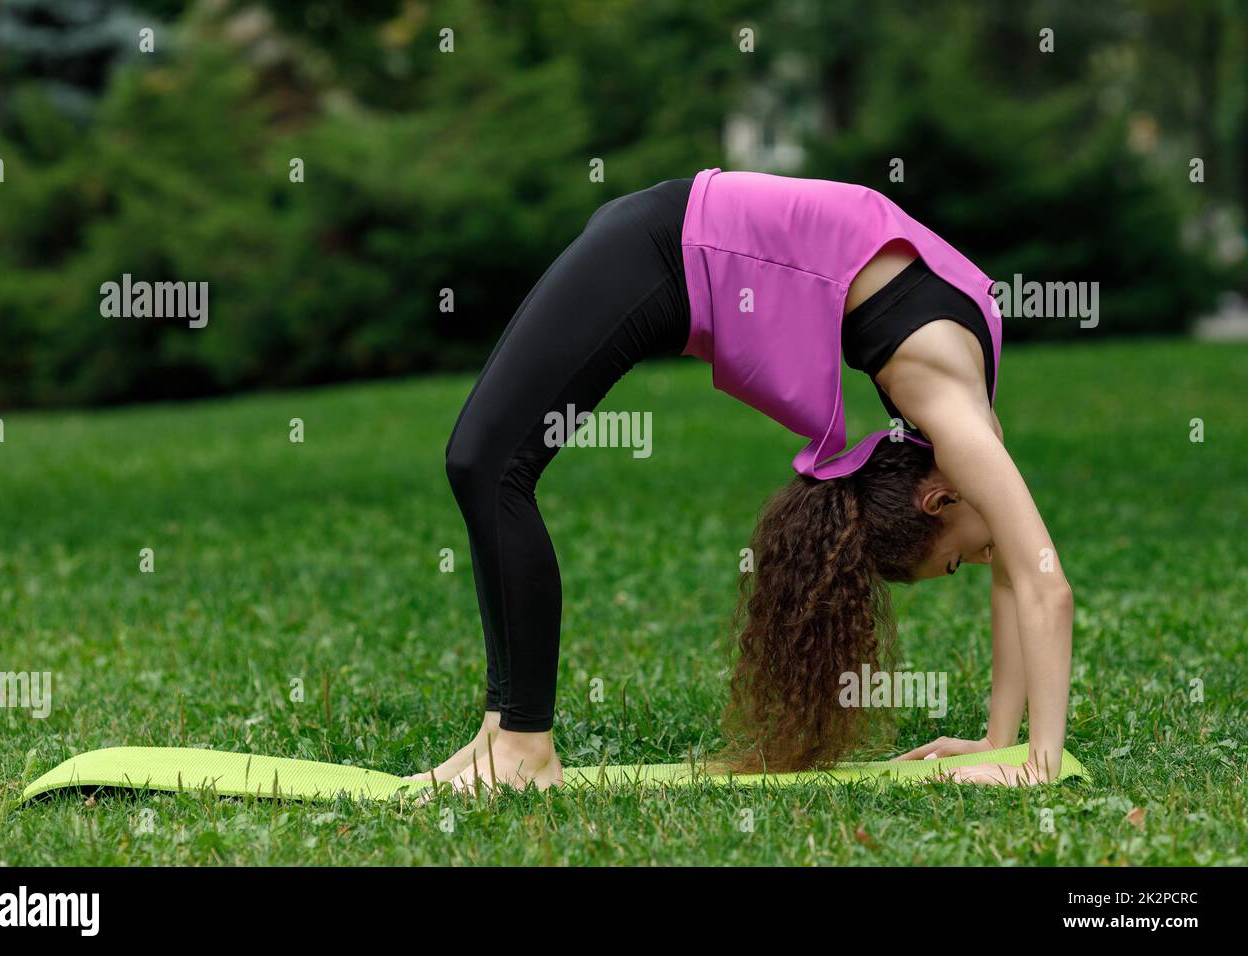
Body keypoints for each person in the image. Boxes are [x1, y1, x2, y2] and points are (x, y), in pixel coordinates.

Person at [415, 169, 1074, 792]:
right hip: (663, 250)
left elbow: (1017, 576)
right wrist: (1039, 764)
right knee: (487, 464)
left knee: (487, 465)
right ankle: (521, 747)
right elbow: (1046, 584)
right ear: (937, 499)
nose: (985, 557)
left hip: (674, 247)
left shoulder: (959, 421)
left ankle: (504, 736)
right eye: (958, 561)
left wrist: (998, 744)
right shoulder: (951, 416)